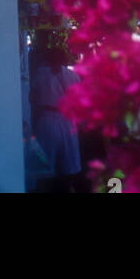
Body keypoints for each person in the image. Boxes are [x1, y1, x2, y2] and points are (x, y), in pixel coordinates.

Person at [29, 36, 81, 192]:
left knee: (45, 162)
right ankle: (65, 188)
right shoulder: (73, 76)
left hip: (46, 118)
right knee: (69, 162)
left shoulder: (40, 74)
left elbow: (33, 97)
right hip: (66, 119)